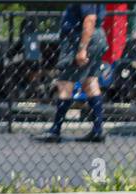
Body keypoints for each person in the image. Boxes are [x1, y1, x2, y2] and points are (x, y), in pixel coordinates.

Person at [36, 2, 108, 143]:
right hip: (96, 36)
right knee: (90, 82)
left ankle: (55, 130)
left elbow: (90, 18)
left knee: (65, 83)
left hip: (79, 38)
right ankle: (98, 130)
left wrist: (82, 48)